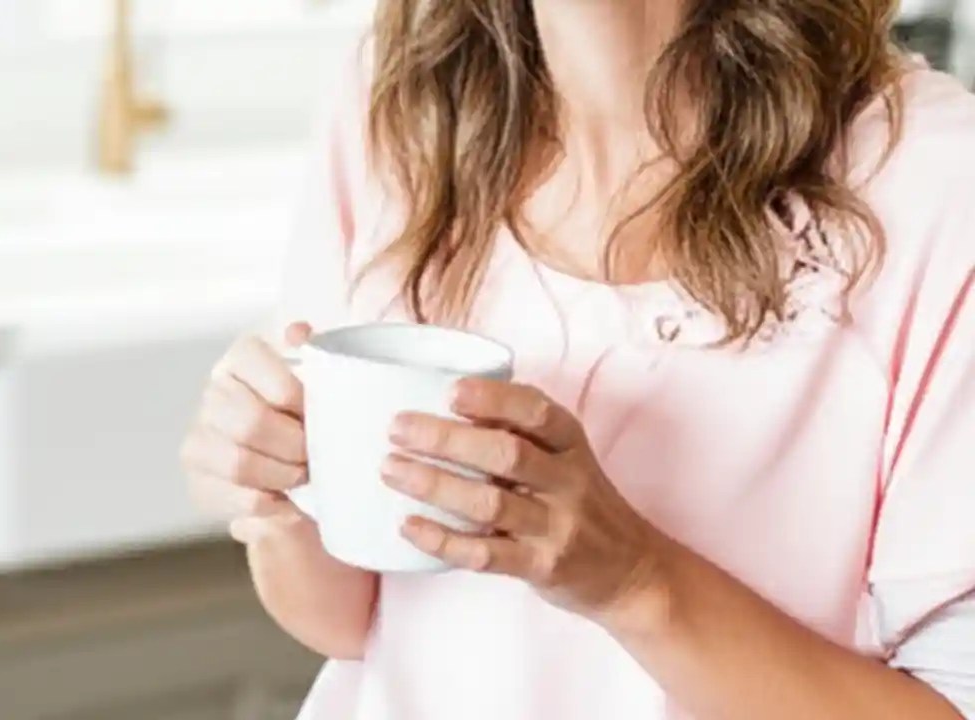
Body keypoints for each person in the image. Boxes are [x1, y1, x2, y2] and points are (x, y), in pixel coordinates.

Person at [179, 1, 975, 718]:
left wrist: (637, 583)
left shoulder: (934, 183)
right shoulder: (399, 99)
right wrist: (277, 501)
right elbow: (347, 620)